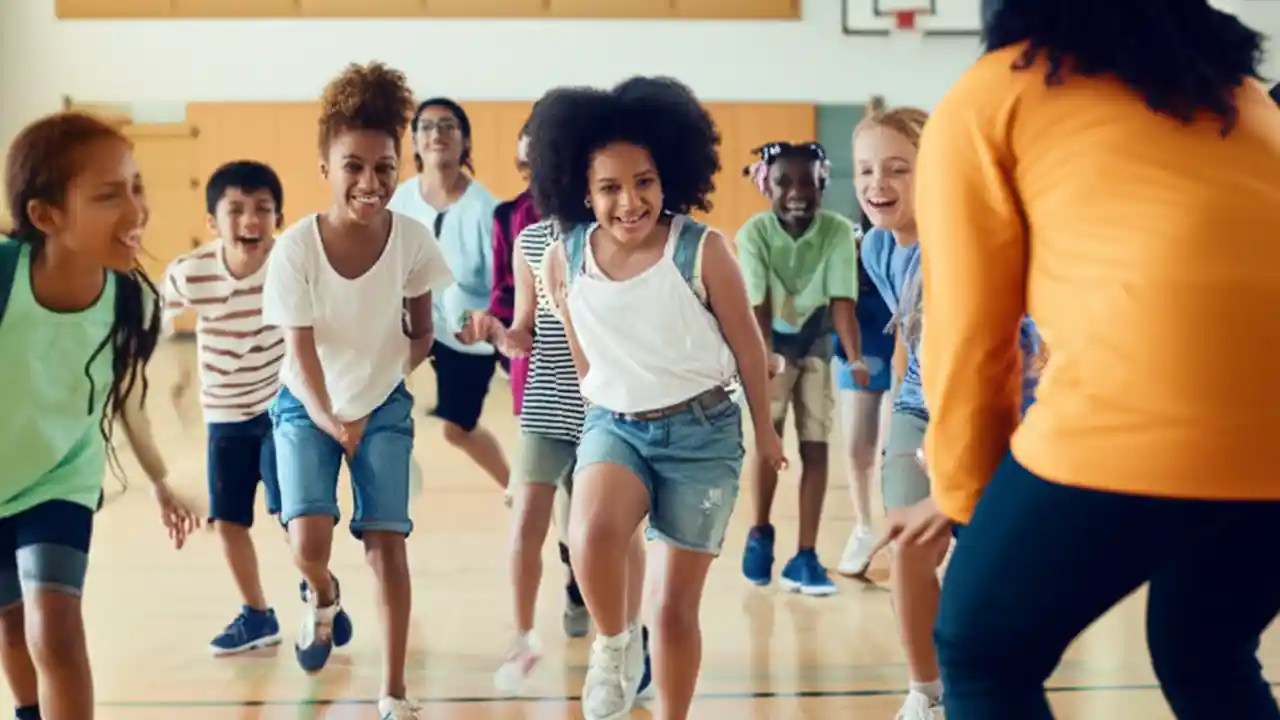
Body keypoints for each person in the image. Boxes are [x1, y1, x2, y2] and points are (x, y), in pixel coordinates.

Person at [912, 2, 1280, 719]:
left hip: (1143, 410)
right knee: (1206, 649)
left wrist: (967, 511)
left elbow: (968, 340)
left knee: (984, 652)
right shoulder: (1235, 90)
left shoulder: (995, 95)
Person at [529, 76, 786, 720]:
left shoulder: (702, 251)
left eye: (643, 181)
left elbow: (750, 349)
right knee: (589, 534)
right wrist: (599, 403)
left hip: (702, 434)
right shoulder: (563, 257)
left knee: (673, 610)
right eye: (610, 187)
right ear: (583, 193)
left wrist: (768, 432)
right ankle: (614, 647)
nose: (629, 200)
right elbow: (579, 343)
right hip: (617, 425)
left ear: (667, 175)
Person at [262, 61, 453, 720]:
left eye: (384, 167)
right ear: (326, 169)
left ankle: (393, 688)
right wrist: (331, 418)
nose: (370, 182)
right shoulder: (295, 251)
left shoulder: (413, 242)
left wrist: (381, 394)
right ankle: (320, 591)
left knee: (387, 544)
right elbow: (301, 352)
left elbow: (421, 333)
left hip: (382, 407)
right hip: (305, 405)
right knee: (306, 544)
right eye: (353, 167)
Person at [0, 112, 199, 720]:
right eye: (109, 195)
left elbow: (128, 398)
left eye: (137, 187)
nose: (136, 210)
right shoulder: (4, 276)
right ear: (46, 216)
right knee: (11, 628)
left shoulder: (130, 298)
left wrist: (162, 480)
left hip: (61, 478)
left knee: (55, 630)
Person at [161, 160, 308, 656]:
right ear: (212, 222)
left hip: (279, 410)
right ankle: (257, 615)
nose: (250, 221)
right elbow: (154, 316)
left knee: (291, 513)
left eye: (263, 210)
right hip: (223, 415)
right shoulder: (191, 273)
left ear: (278, 218)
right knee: (228, 523)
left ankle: (319, 592)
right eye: (236, 210)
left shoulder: (290, 264)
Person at [736, 141, 864, 596]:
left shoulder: (836, 232)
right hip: (768, 344)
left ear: (823, 184)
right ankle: (760, 533)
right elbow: (758, 307)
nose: (797, 192)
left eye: (808, 182)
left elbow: (842, 302)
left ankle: (805, 555)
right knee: (769, 440)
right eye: (783, 182)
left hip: (814, 342)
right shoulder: (754, 234)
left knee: (816, 443)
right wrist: (764, 360)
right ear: (764, 186)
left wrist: (855, 356)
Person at [388, 97, 509, 498]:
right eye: (426, 126)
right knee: (368, 397)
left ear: (465, 142)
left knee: (458, 430)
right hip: (410, 325)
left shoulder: (486, 210)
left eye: (447, 126)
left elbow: (504, 288)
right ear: (415, 142)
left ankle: (516, 490)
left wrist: (491, 325)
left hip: (464, 337)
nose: (436, 134)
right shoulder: (400, 201)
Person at [833, 211, 894, 578]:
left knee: (894, 449)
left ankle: (901, 527)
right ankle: (863, 527)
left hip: (905, 349)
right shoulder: (847, 246)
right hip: (859, 347)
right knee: (858, 446)